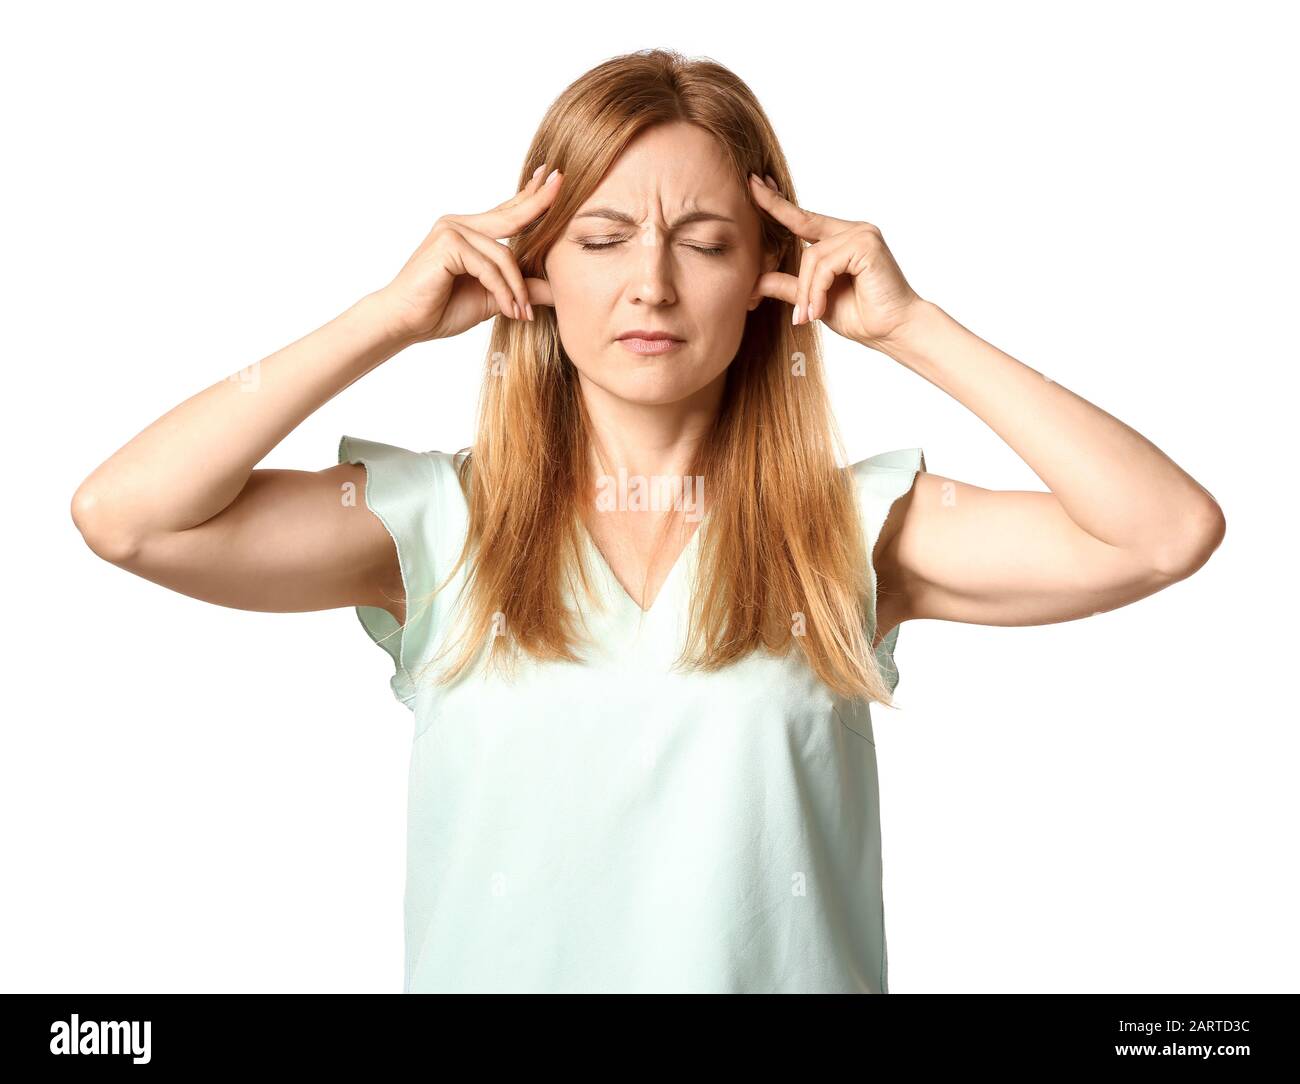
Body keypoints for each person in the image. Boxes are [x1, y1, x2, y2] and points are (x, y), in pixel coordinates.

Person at [70, 48, 1226, 993]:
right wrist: (384, 318)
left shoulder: (853, 533)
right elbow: (126, 516)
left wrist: (912, 326)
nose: (653, 286)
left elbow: (1161, 531)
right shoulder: (436, 525)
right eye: (604, 237)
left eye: (708, 242)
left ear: (772, 274)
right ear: (535, 267)